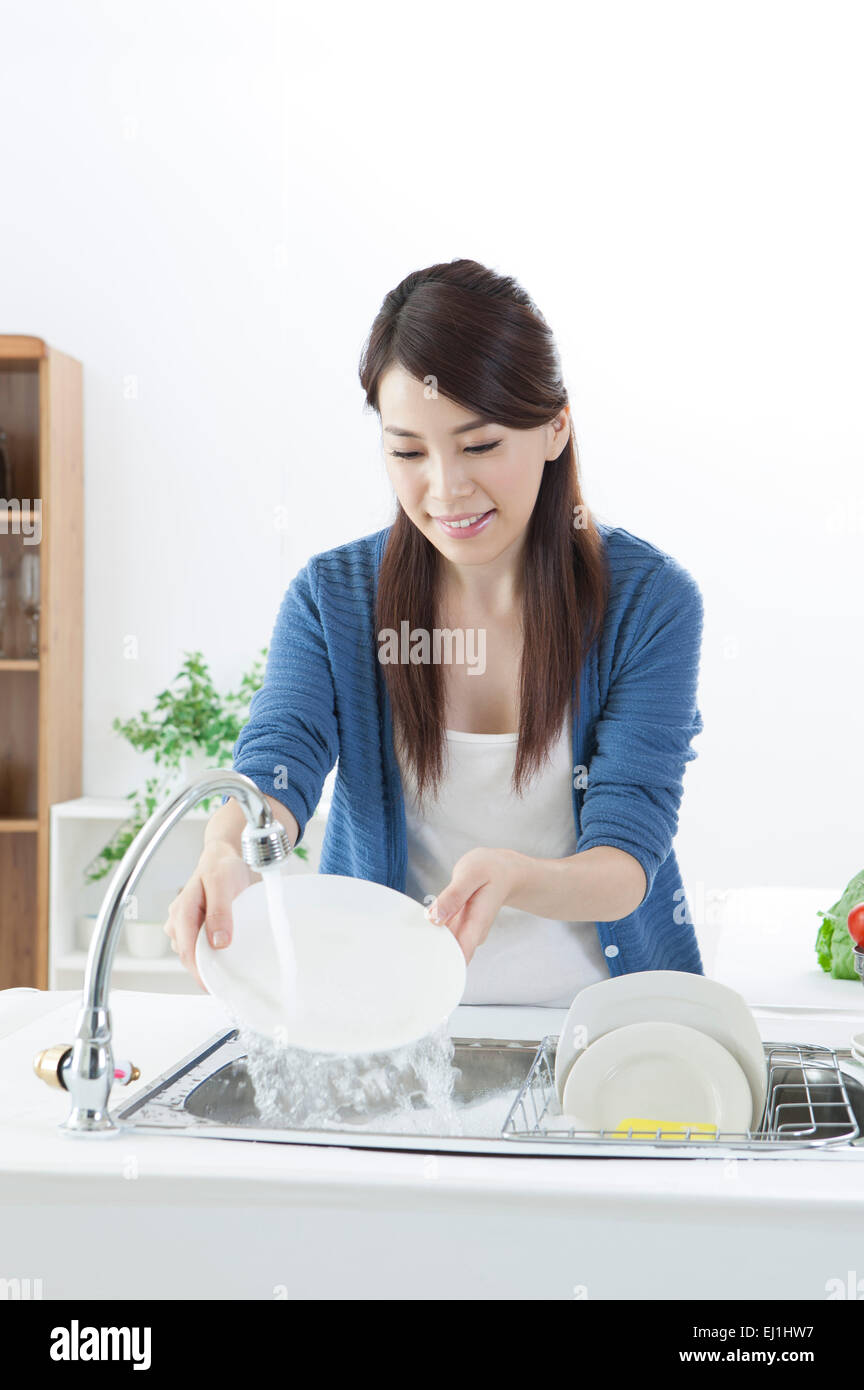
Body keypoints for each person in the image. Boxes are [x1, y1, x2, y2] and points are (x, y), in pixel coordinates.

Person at [164, 258, 705, 1004]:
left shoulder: (650, 603)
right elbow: (278, 759)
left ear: (554, 428)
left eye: (479, 446)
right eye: (408, 452)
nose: (445, 488)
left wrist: (518, 877)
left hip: (603, 1032)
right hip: (390, 1025)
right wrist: (226, 847)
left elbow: (626, 859)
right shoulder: (334, 600)